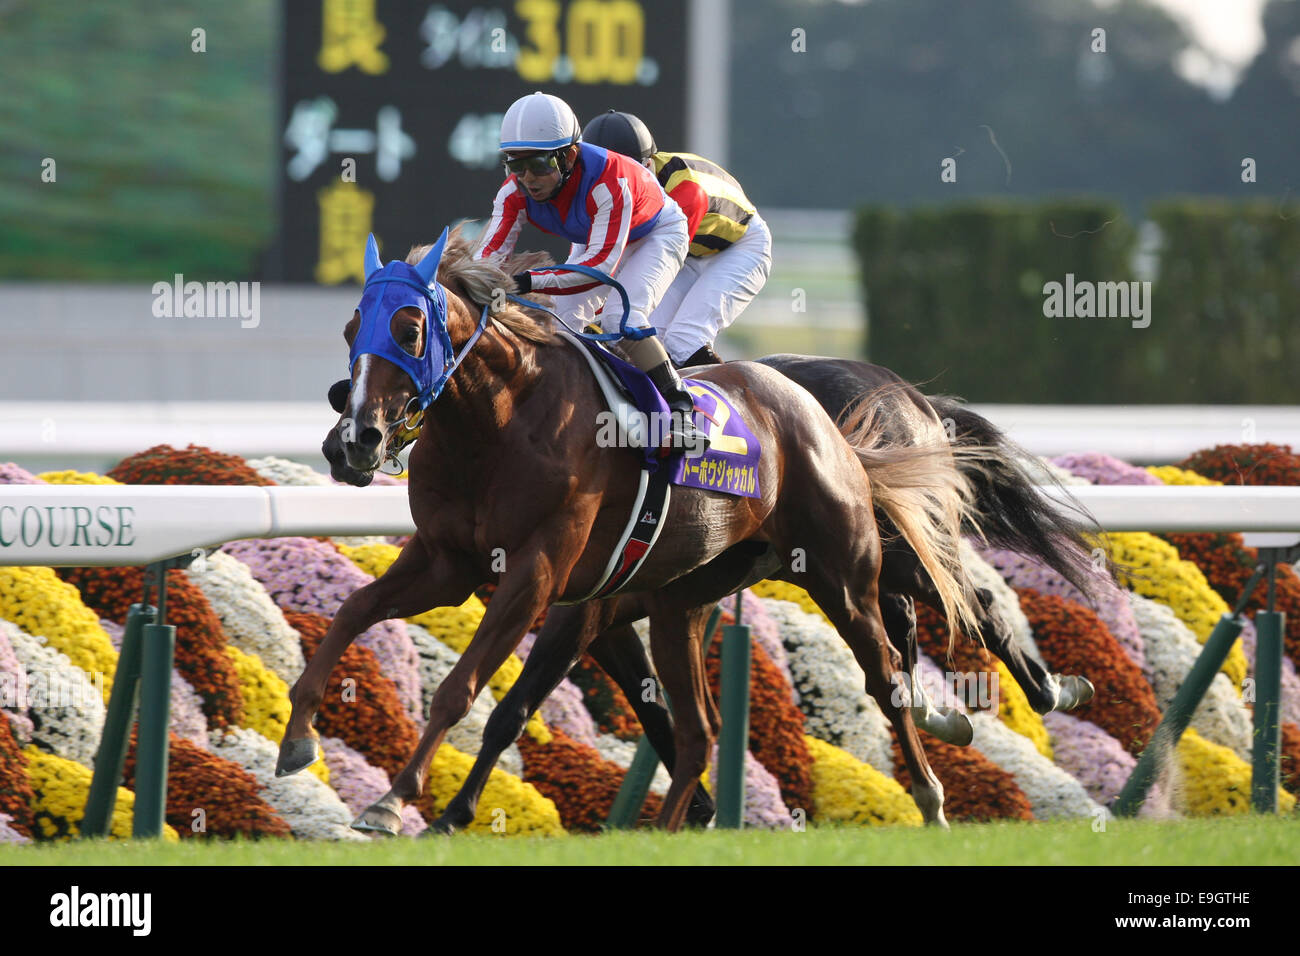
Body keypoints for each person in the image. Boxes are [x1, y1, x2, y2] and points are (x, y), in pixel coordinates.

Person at [474, 91, 704, 454]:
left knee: (620, 318)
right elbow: (487, 259)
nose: (528, 179)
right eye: (515, 166)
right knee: (560, 321)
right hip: (597, 232)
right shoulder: (512, 192)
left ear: (569, 156)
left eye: (539, 165)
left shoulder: (608, 182)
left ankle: (680, 409)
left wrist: (528, 281)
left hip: (657, 231)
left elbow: (596, 270)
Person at [580, 110, 771, 369]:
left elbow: (653, 267)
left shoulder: (684, 191)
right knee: (647, 336)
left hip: (740, 247)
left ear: (648, 166)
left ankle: (723, 403)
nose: (616, 187)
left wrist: (599, 319)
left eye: (625, 175)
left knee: (685, 340)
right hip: (692, 250)